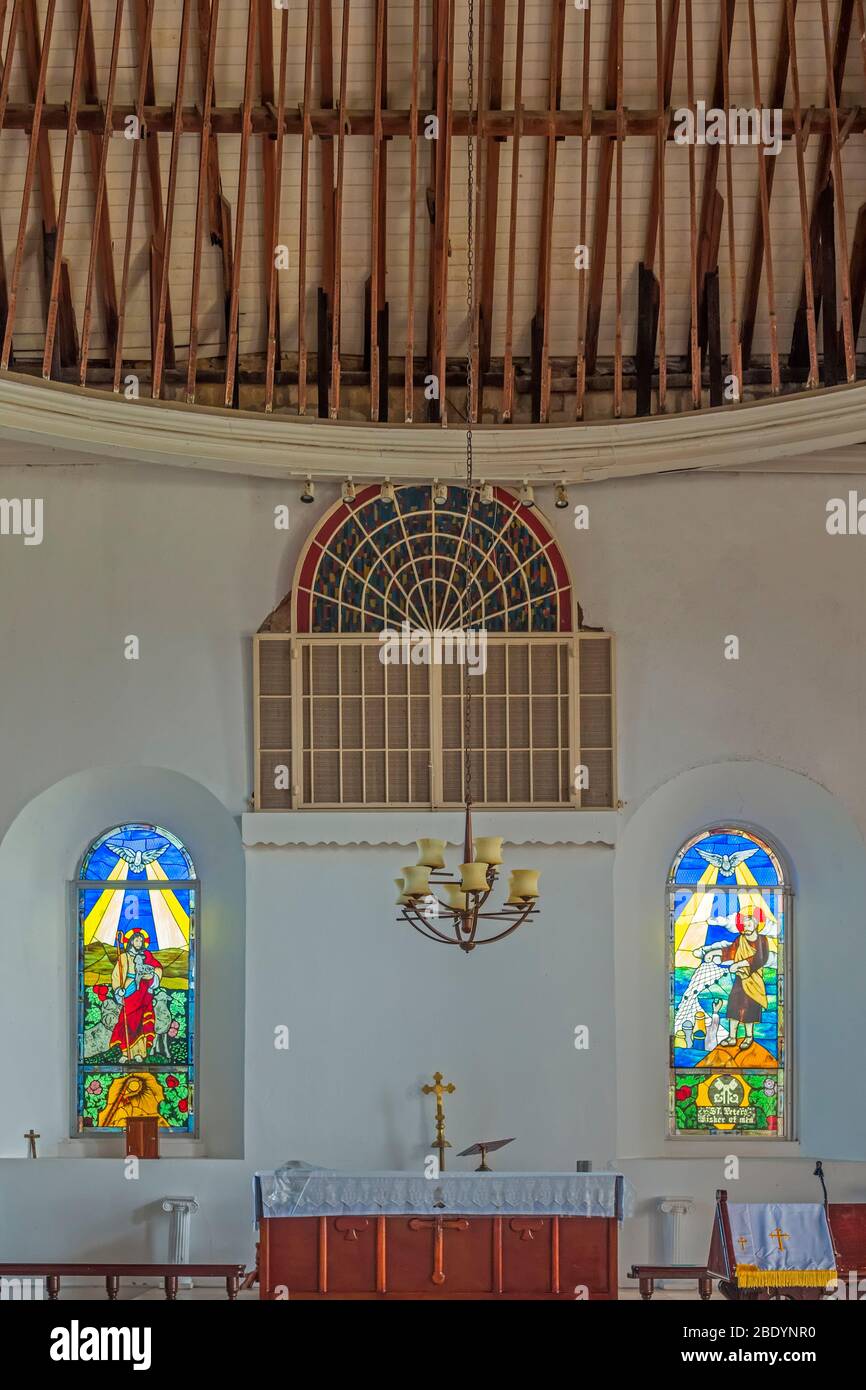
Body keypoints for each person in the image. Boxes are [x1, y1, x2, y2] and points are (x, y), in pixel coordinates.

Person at [110, 927, 162, 1062]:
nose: (139, 942)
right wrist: (118, 990)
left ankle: (139, 1052)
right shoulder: (124, 956)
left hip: (143, 992)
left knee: (140, 1022)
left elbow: (157, 968)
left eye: (141, 940)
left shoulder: (147, 955)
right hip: (129, 990)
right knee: (126, 1020)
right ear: (131, 941)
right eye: (136, 940)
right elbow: (116, 975)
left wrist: (153, 977)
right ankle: (125, 1053)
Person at [721, 905, 769, 1050]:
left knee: (751, 1008)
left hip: (753, 980)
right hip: (740, 980)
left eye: (750, 923)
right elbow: (730, 952)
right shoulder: (740, 939)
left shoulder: (762, 940)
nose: (746, 927)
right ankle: (732, 1037)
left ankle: (749, 1037)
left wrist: (741, 963)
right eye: (744, 924)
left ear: (756, 924)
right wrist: (712, 953)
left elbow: (761, 958)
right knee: (734, 1005)